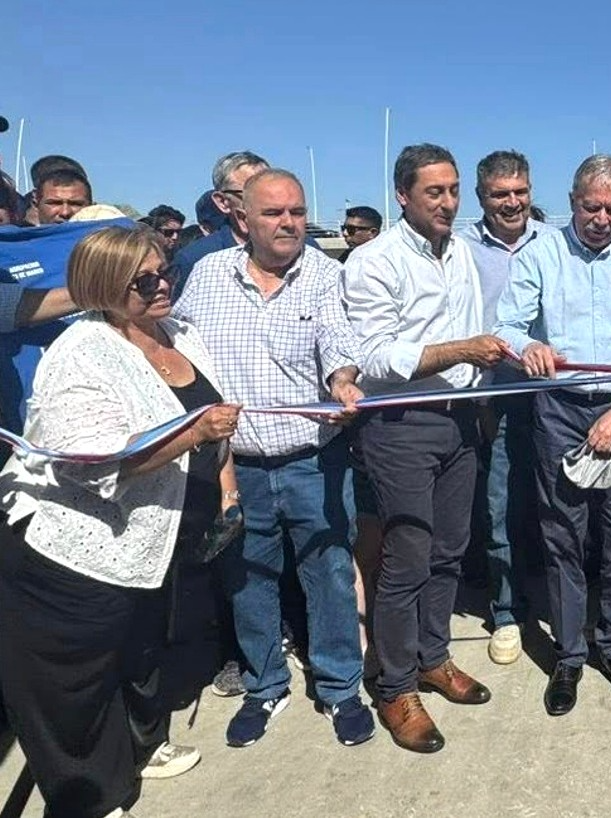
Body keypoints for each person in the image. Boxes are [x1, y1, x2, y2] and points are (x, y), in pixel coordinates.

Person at [0, 225, 240, 817]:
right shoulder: (82, 352)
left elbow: (215, 408)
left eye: (167, 271)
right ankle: (91, 795)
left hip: (151, 545)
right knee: (75, 682)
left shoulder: (180, 332)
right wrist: (194, 435)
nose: (164, 286)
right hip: (77, 552)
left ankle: (139, 747)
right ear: (104, 286)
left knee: (139, 654)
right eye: (146, 280)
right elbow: (91, 463)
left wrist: (226, 483)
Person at [174, 168, 373, 750]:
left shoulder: (325, 274)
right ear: (242, 218)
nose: (288, 223)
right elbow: (177, 344)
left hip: (314, 460)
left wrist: (342, 382)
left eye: (296, 212)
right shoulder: (207, 275)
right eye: (273, 213)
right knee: (246, 578)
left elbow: (340, 341)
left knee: (330, 572)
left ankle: (340, 688)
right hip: (237, 467)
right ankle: (266, 684)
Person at [494, 154, 611, 717]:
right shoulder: (542, 253)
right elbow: (507, 325)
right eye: (591, 207)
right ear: (572, 202)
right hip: (560, 412)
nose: (602, 218)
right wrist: (528, 348)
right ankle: (569, 653)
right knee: (563, 536)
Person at [344, 143, 507, 753]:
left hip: (459, 420)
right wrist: (463, 350)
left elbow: (476, 338)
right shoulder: (373, 261)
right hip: (401, 424)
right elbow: (376, 357)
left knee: (448, 550)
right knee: (407, 558)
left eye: (453, 190)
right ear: (403, 196)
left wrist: (479, 387)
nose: (447, 202)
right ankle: (394, 686)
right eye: (434, 191)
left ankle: (433, 659)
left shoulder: (460, 251)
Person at [457, 149, 550, 665]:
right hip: (493, 395)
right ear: (481, 197)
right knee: (496, 509)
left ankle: (558, 603)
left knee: (555, 505)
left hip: (552, 397)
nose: (512, 202)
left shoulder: (556, 242)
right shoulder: (461, 249)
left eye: (520, 192)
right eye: (500, 194)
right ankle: (507, 611)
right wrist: (479, 397)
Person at [169, 151, 270, 292]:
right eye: (252, 193)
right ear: (223, 202)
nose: (268, 201)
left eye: (270, 191)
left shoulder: (304, 251)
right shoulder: (193, 260)